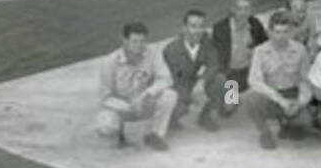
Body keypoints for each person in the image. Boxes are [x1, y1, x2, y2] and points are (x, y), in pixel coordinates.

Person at [97, 22, 177, 150]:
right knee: (106, 124)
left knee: (169, 95)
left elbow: (166, 79)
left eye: (142, 41)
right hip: (122, 106)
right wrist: (127, 106)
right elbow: (105, 97)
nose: (139, 46)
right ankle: (119, 133)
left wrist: (146, 94)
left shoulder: (153, 54)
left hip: (143, 102)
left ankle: (155, 134)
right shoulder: (110, 62)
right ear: (125, 41)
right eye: (134, 42)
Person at [245, 10, 314, 149]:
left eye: (285, 32)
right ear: (269, 32)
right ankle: (264, 132)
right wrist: (280, 101)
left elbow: (306, 80)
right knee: (248, 97)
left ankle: (287, 123)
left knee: (306, 122)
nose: (281, 37)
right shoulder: (260, 51)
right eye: (277, 32)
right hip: (268, 93)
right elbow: (254, 80)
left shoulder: (300, 49)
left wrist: (300, 103)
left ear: (291, 32)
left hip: (292, 93)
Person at [162, 8, 227, 132]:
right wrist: (191, 96)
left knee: (221, 79)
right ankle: (170, 119)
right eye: (193, 26)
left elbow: (214, 65)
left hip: (194, 81)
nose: (197, 31)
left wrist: (202, 82)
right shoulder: (172, 50)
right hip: (178, 86)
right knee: (180, 107)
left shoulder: (207, 43)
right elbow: (171, 81)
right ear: (184, 28)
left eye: (201, 26)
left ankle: (205, 116)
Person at [212, 0, 267, 109]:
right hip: (231, 74)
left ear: (250, 10)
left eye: (246, 9)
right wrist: (225, 79)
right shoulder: (220, 29)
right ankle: (224, 99)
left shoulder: (255, 24)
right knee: (229, 109)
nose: (243, 13)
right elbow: (217, 59)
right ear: (232, 9)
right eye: (239, 9)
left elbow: (266, 46)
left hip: (249, 72)